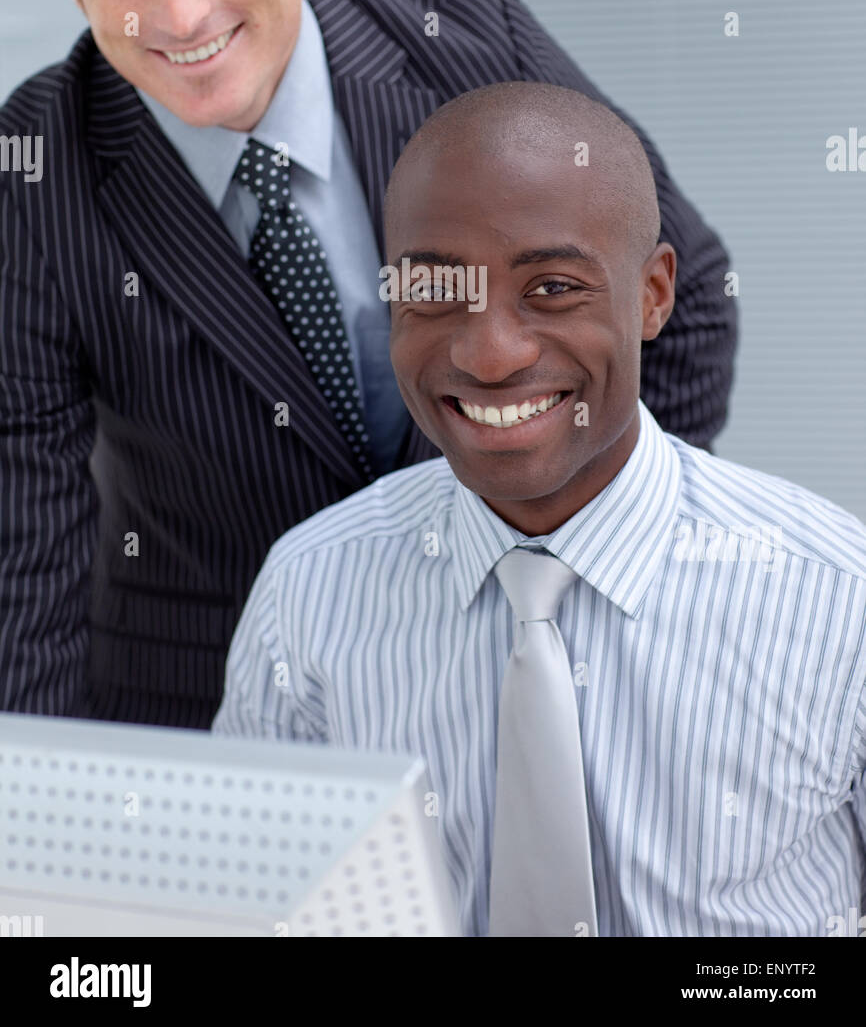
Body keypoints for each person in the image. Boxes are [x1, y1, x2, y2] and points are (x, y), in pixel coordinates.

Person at [1, 0, 735, 731]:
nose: (176, 12)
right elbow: (23, 556)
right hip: (211, 709)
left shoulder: (473, 47)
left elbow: (681, 306)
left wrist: (553, 560)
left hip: (517, 655)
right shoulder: (34, 167)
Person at [213, 82, 866, 938]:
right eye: (434, 289)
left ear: (654, 295)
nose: (489, 354)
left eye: (554, 288)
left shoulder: (838, 598)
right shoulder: (308, 593)